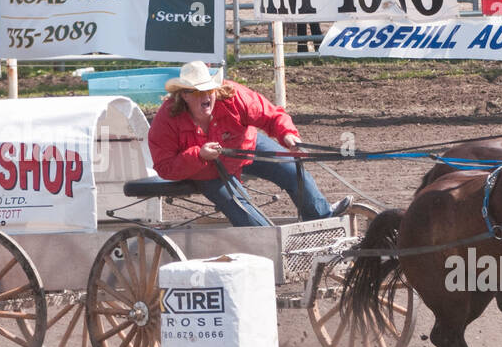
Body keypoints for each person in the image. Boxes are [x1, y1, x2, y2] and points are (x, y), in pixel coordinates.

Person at [147, 62, 350, 227]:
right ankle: (270, 247)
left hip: (247, 146)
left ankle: (322, 221)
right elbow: (165, 167)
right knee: (243, 212)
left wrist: (287, 134)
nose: (206, 96)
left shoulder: (235, 97)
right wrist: (198, 155)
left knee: (292, 167)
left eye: (210, 90)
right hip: (209, 172)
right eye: (198, 92)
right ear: (184, 95)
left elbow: (271, 115)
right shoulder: (166, 120)